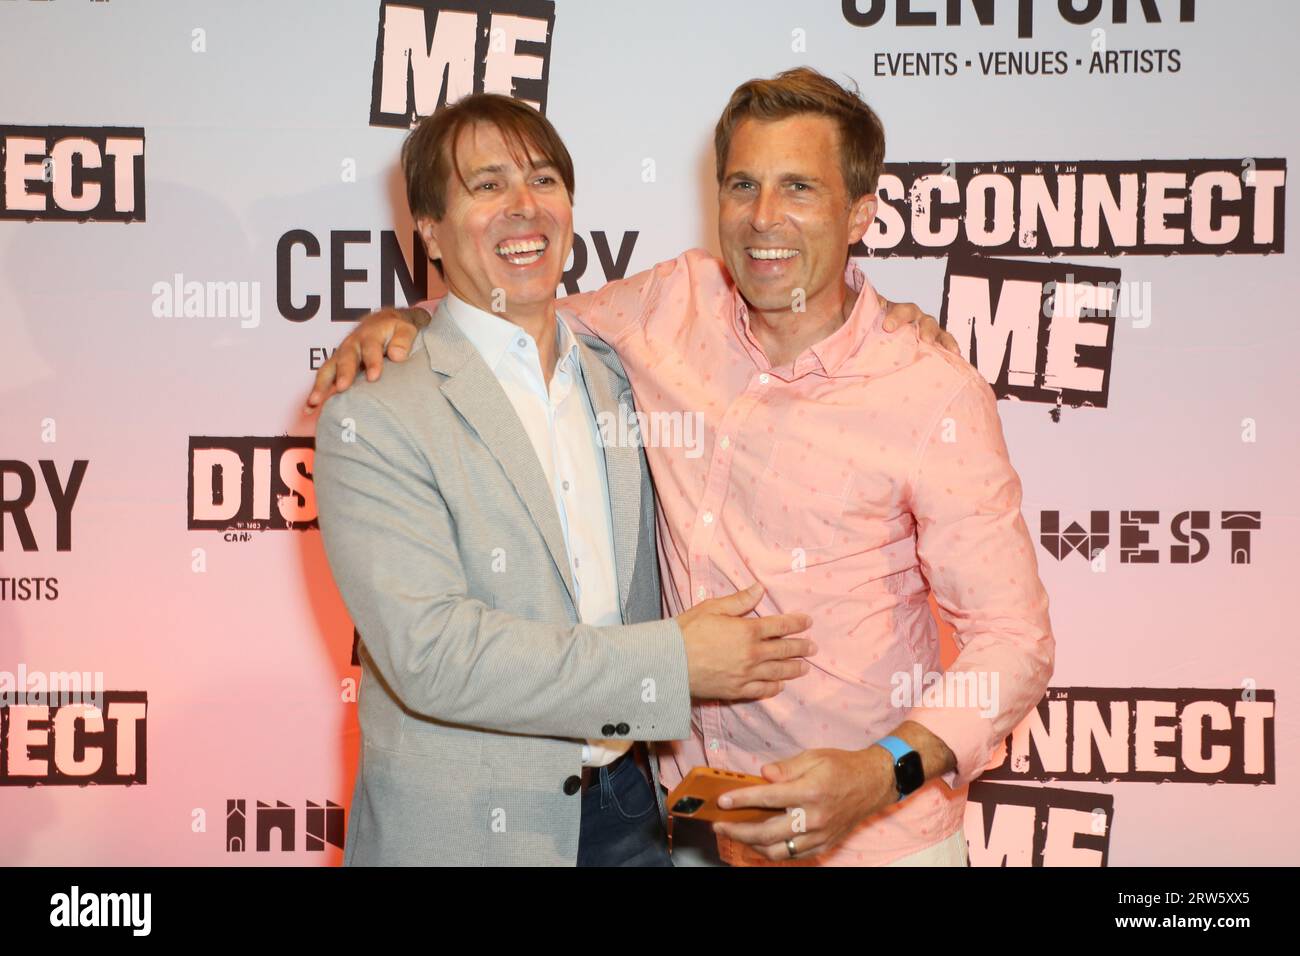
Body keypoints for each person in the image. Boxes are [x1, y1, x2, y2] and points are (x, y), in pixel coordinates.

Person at [312, 68, 1053, 867]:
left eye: (799, 187)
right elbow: (512, 311)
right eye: (743, 185)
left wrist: (881, 774)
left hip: (872, 841)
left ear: (861, 212)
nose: (765, 218)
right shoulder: (669, 307)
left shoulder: (929, 389)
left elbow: (1014, 642)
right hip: (693, 833)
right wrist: (397, 321)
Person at [314, 92, 822, 866]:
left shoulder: (622, 371)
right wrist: (674, 663)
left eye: (544, 181)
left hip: (631, 813)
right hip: (467, 830)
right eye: (487, 186)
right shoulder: (378, 404)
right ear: (428, 229)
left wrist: (897, 326)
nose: (525, 208)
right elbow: (432, 655)